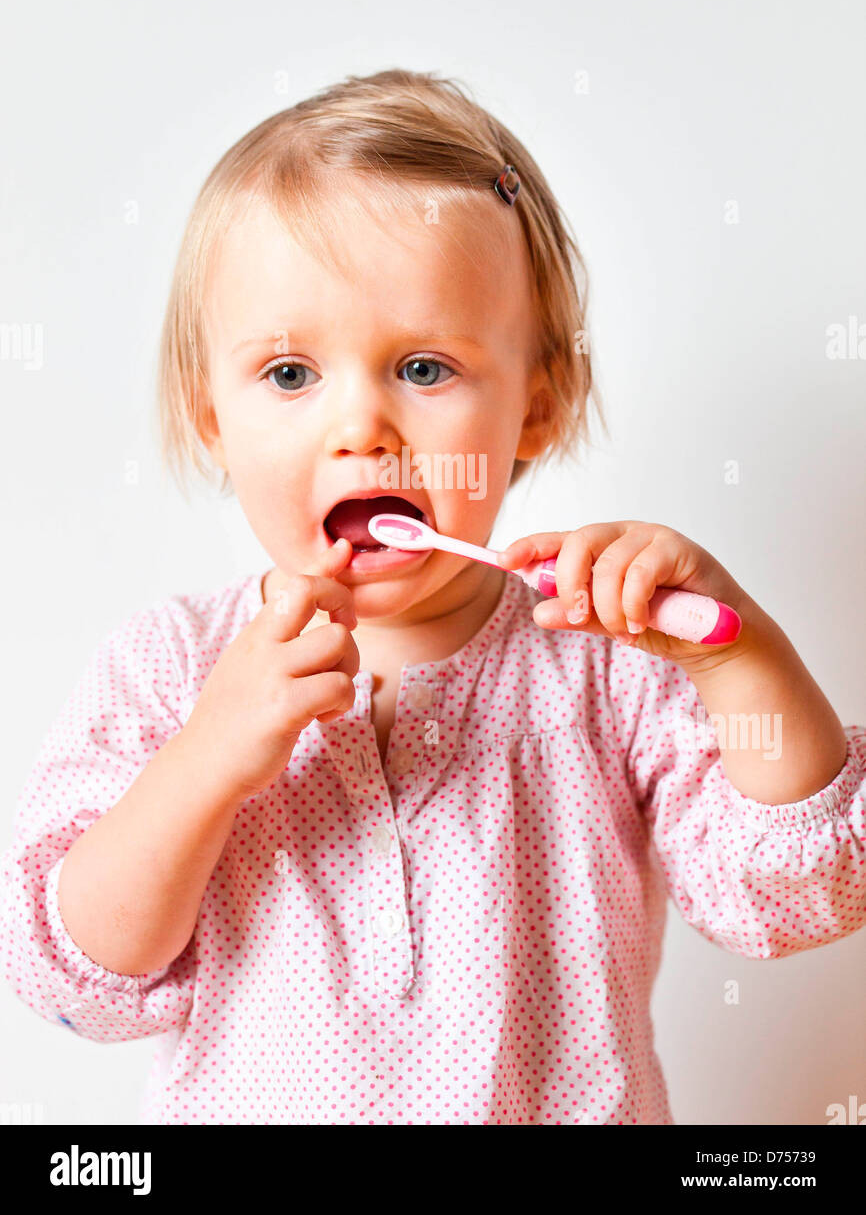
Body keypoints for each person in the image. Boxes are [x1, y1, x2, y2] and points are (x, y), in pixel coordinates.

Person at [2, 68, 864, 1125]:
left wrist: (739, 656)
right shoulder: (170, 667)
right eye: (287, 374)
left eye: (421, 366)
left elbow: (800, 889)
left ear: (535, 411)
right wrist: (206, 756)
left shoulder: (604, 660)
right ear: (211, 417)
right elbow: (71, 976)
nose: (359, 425)